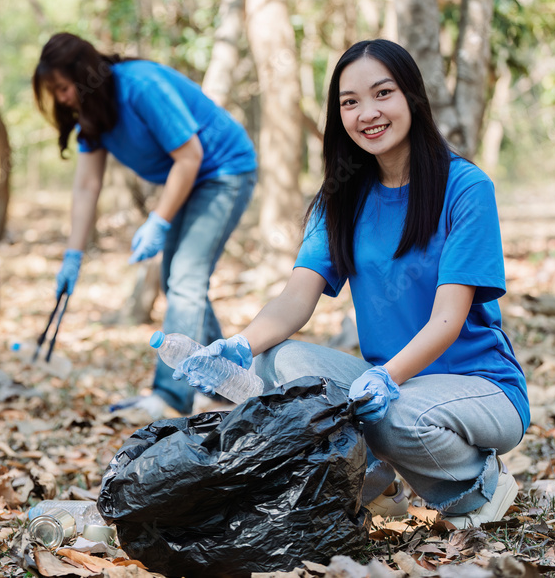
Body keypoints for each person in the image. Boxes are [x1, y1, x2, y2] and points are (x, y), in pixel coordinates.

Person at [174, 39, 529, 528]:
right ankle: (380, 480)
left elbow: (448, 321)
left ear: (412, 98)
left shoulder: (465, 188)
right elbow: (298, 296)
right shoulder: (341, 198)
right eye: (350, 102)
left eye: (383, 94)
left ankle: (478, 484)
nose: (368, 113)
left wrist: (386, 378)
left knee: (388, 414)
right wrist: (237, 343)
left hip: (480, 388)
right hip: (389, 388)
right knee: (280, 361)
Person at [33, 32, 257, 418]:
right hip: (192, 176)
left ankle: (170, 397)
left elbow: (190, 156)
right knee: (178, 277)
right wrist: (73, 254)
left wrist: (158, 221)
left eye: (63, 87)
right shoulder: (93, 112)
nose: (62, 98)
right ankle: (230, 383)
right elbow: (87, 186)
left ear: (84, 74)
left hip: (224, 170)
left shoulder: (140, 85)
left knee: (185, 278)